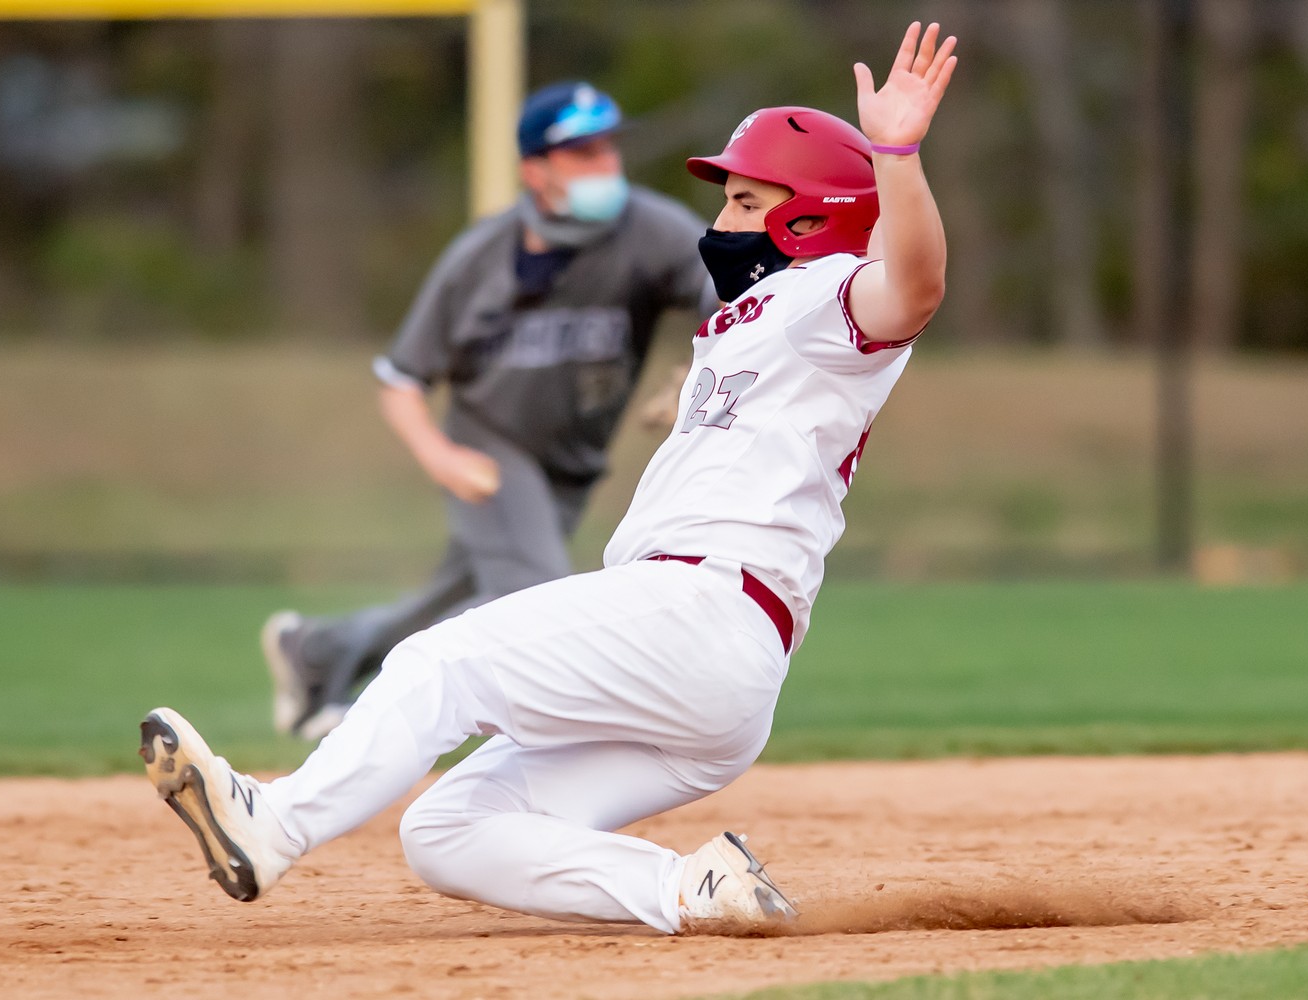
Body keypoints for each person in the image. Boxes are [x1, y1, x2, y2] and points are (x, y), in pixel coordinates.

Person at [141, 22, 957, 935]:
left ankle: (277, 824)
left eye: (742, 200)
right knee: (445, 830)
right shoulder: (760, 316)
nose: (720, 221)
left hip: (703, 610)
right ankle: (694, 891)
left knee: (439, 662)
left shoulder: (829, 293)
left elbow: (915, 286)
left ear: (809, 218)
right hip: (710, 666)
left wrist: (896, 155)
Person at [265, 80, 718, 741]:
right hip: (491, 449)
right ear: (534, 170)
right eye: (581, 152)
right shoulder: (481, 256)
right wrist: (442, 458)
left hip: (572, 463)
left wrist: (703, 366)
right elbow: (399, 379)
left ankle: (317, 653)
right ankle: (391, 726)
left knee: (458, 602)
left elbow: (730, 290)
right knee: (536, 600)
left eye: (608, 147)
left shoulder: (652, 230)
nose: (604, 164)